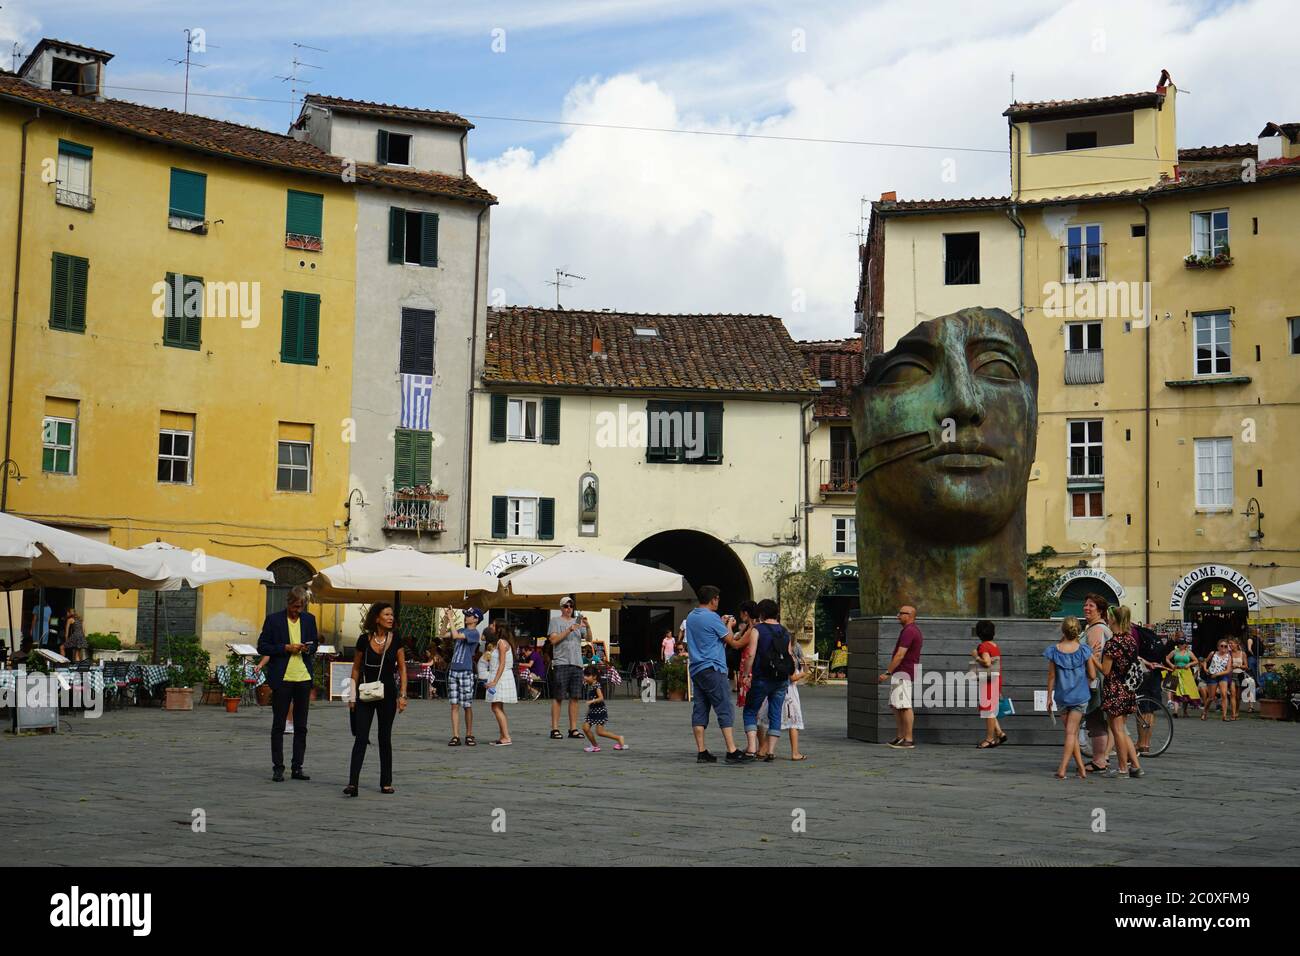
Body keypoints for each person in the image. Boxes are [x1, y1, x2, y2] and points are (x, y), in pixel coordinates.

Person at [256, 586, 318, 782]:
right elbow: (262, 646)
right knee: (279, 725)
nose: (297, 611)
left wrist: (307, 648)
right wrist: (285, 648)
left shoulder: (309, 619)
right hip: (282, 678)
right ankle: (278, 767)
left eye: (300, 607)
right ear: (288, 602)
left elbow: (315, 644)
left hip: (303, 678)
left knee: (301, 726)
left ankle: (297, 767)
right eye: (294, 607)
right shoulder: (274, 620)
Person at [344, 603, 407, 796]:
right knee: (361, 737)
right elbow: (355, 668)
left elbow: (403, 669)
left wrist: (402, 695)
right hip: (365, 693)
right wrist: (352, 695)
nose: (390, 618)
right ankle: (353, 783)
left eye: (392, 615)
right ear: (376, 618)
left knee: (384, 737)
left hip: (387, 694)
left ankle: (386, 782)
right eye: (386, 614)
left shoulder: (396, 640)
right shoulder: (364, 640)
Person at [685, 585, 747, 764]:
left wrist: (721, 623)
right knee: (724, 708)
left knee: (700, 708)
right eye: (718, 598)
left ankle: (702, 751)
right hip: (713, 667)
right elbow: (732, 642)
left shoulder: (691, 616)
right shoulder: (712, 618)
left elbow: (709, 636)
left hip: (697, 668)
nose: (718, 601)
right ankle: (731, 750)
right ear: (713, 599)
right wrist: (729, 625)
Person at [740, 599, 792, 761]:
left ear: (761, 613)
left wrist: (746, 674)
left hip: (762, 677)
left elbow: (751, 654)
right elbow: (789, 656)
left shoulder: (758, 630)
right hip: (781, 678)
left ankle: (752, 747)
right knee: (775, 713)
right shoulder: (784, 631)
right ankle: (770, 751)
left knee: (750, 711)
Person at [1044, 617, 1096, 779]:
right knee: (1071, 734)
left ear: (1063, 630)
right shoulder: (1084, 650)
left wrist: (1049, 697)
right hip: (1080, 696)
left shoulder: (1054, 650)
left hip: (1062, 697)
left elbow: (1051, 676)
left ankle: (1069, 768)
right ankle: (1071, 768)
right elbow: (1093, 675)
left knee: (1069, 733)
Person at [1099, 605, 1143, 778]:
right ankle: (1136, 766)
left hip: (1115, 689)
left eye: (1109, 617)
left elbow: (1106, 670)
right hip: (1128, 688)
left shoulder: (1112, 643)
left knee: (1117, 730)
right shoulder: (1130, 640)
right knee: (1121, 729)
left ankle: (1123, 768)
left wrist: (1092, 658)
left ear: (1113, 619)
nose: (1107, 619)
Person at [877, 604, 922, 749]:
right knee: (897, 705)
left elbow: (900, 655)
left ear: (909, 615)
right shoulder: (908, 630)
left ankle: (908, 739)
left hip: (904, 672)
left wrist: (887, 672)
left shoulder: (910, 631)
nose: (898, 616)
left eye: (901, 613)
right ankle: (900, 736)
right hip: (901, 672)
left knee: (904, 705)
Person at [545, 597, 588, 739]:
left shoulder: (577, 622)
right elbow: (553, 640)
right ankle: (555, 729)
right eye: (566, 606)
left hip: (577, 663)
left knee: (575, 697)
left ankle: (573, 729)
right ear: (561, 607)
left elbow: (588, 639)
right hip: (561, 662)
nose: (569, 608)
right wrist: (570, 629)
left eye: (571, 606)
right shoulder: (555, 621)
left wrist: (587, 625)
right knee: (558, 697)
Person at [1080, 593, 1112, 772]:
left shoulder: (1096, 630)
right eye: (1085, 605)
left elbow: (1094, 657)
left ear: (1100, 610)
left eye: (1091, 606)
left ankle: (1099, 760)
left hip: (1096, 682)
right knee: (1101, 722)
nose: (1086, 608)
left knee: (1096, 721)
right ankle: (1102, 758)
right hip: (1099, 681)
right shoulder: (1094, 628)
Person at [447, 608, 482, 746]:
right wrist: (445, 620)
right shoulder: (461, 629)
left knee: (467, 705)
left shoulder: (474, 633)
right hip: (454, 670)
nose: (466, 617)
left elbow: (455, 636)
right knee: (454, 705)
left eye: (469, 615)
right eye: (466, 615)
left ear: (476, 619)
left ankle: (469, 734)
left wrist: (450, 618)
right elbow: (443, 634)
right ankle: (455, 735)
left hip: (466, 671)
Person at [971, 619, 1006, 749]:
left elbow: (986, 663)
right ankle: (1000, 733)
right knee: (988, 709)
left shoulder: (983, 646)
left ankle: (989, 739)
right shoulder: (994, 645)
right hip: (995, 680)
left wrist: (976, 656)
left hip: (988, 682)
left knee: (988, 711)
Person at [580, 665, 627, 752]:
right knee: (585, 728)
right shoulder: (590, 685)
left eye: (587, 676)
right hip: (592, 712)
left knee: (600, 732)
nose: (585, 677)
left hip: (600, 712)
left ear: (594, 677)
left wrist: (591, 701)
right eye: (585, 675)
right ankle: (595, 746)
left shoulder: (596, 685)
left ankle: (619, 738)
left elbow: (601, 697)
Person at [485, 622, 517, 745]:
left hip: (501, 677)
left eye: (493, 625)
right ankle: (503, 735)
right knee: (499, 707)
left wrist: (494, 681)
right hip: (502, 676)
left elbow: (502, 663)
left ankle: (506, 736)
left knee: (495, 707)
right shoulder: (503, 642)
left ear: (499, 628)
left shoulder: (501, 642)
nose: (491, 627)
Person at [1164, 639, 1201, 718]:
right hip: (1176, 672)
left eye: (1182, 644)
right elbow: (1166, 658)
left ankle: (1185, 711)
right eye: (1179, 644)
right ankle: (1176, 711)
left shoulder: (1189, 652)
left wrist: (1190, 664)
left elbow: (1196, 660)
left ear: (1185, 645)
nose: (1181, 646)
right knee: (1176, 692)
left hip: (1186, 673)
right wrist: (1171, 665)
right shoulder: (1174, 651)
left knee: (1186, 692)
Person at [734, 600, 759, 709]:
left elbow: (737, 644)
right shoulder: (750, 626)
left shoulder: (752, 628)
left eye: (741, 612)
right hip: (749, 665)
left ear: (746, 613)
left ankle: (754, 725)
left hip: (749, 666)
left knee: (751, 705)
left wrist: (729, 627)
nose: (740, 616)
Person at [1202, 638, 1233, 723]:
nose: (1223, 648)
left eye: (1225, 646)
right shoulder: (1213, 653)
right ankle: (1205, 712)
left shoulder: (1228, 656)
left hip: (1222, 675)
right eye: (1221, 646)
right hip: (1212, 675)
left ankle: (1224, 715)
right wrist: (1205, 669)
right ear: (1218, 647)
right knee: (1211, 697)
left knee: (1224, 694)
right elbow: (1205, 661)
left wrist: (1218, 674)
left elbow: (1228, 670)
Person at [1229, 638, 1248, 721]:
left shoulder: (1242, 653)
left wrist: (1238, 666)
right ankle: (1233, 714)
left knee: (1237, 696)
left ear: (1237, 644)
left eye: (1232, 643)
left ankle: (1237, 710)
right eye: (1229, 644)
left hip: (1240, 674)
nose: (1230, 645)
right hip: (1231, 675)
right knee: (1232, 694)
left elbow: (1246, 666)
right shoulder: (1229, 654)